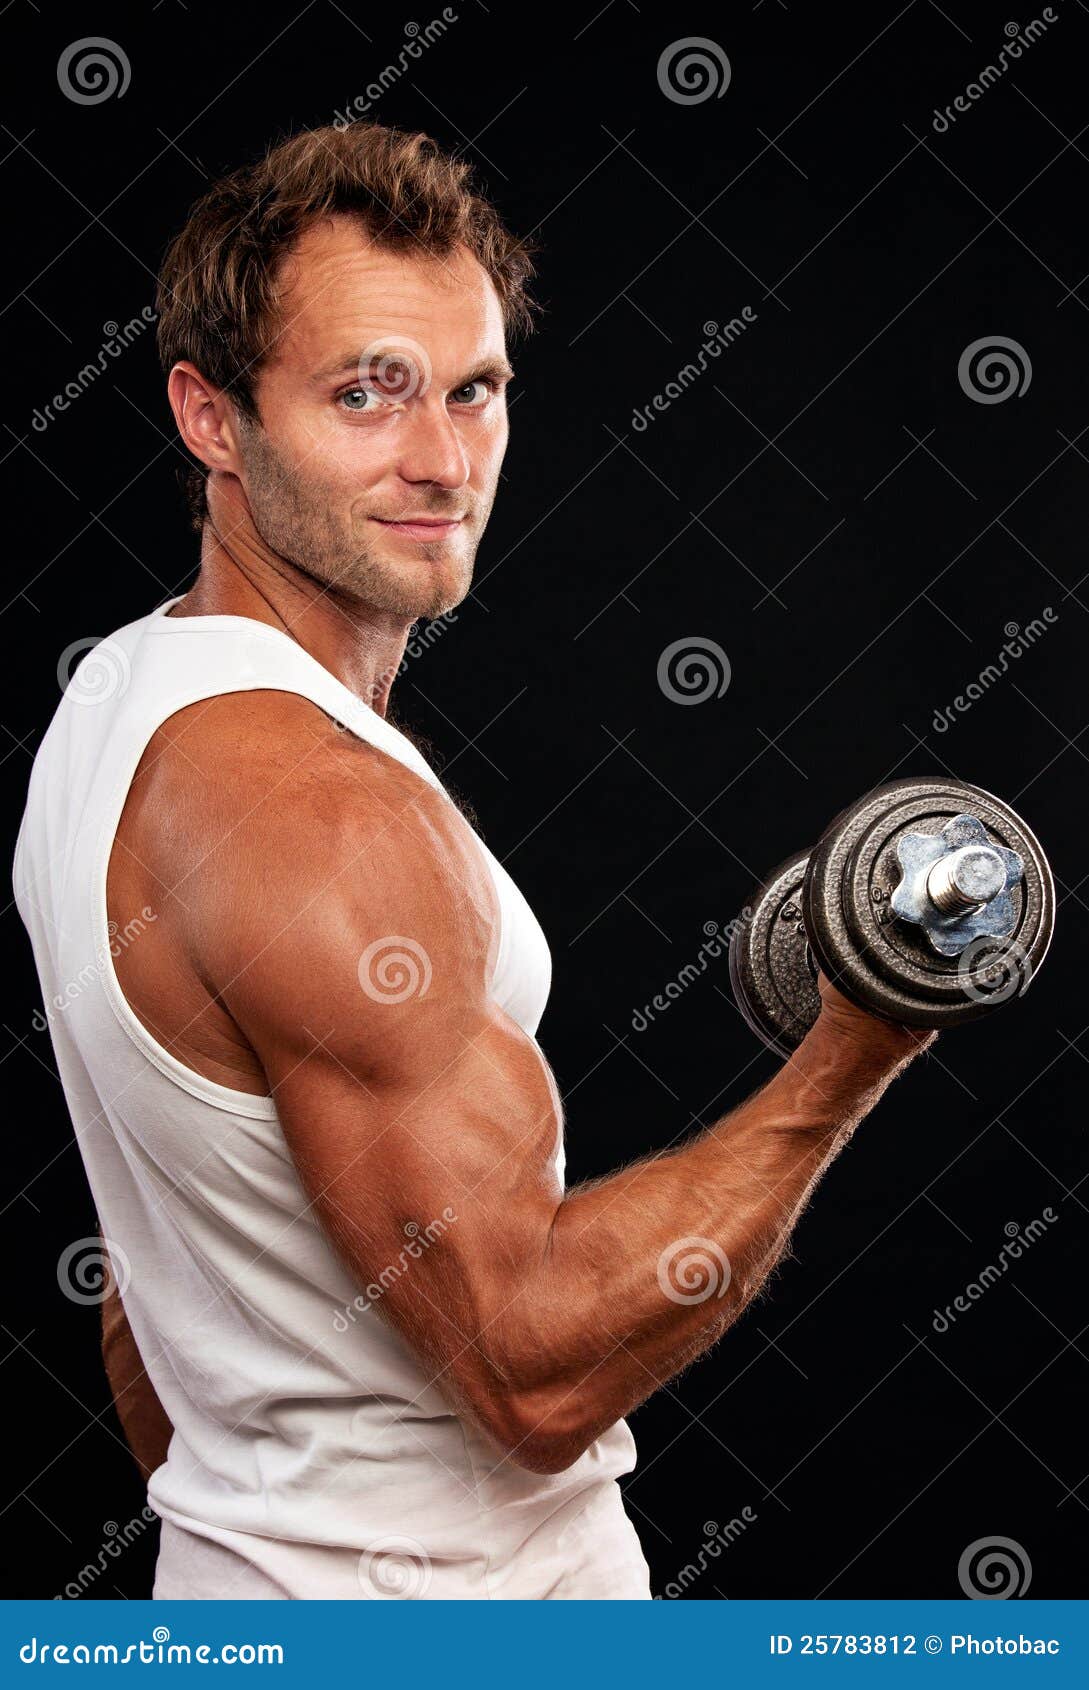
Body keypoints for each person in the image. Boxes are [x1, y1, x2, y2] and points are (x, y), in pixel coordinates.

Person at [13, 121, 932, 1600]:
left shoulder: (113, 707)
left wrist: (258, 1534)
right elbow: (527, 1374)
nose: (440, 460)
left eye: (473, 391)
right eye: (365, 394)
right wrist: (857, 1045)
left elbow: (154, 1277)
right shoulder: (312, 805)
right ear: (209, 415)